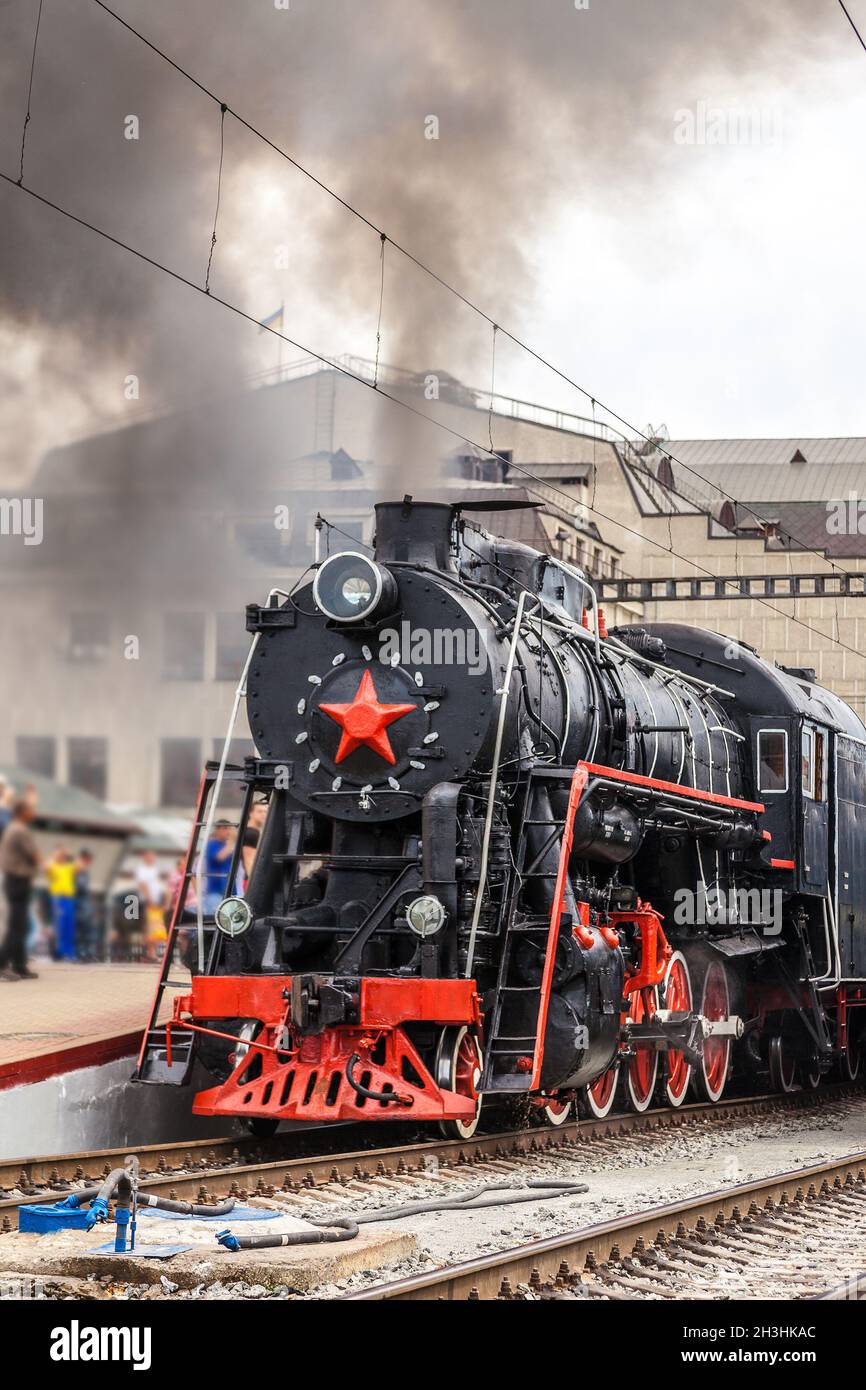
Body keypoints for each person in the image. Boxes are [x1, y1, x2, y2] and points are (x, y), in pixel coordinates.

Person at [0, 798, 41, 980]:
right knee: (17, 926)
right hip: (18, 881)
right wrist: (42, 864)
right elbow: (35, 855)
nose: (33, 812)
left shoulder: (14, 828)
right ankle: (2, 964)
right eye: (30, 809)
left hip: (16, 881)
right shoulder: (20, 830)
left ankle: (19, 965)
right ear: (22, 812)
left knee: (21, 925)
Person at [47, 848, 77, 960]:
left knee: (69, 925)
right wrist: (54, 855)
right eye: (60, 855)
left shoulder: (68, 867)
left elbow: (79, 865)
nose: (62, 857)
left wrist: (68, 854)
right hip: (58, 898)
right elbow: (47, 866)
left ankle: (69, 952)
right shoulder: (53, 866)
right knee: (60, 925)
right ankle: (60, 951)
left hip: (68, 898)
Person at [203, 820, 236, 913]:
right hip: (215, 892)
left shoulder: (227, 845)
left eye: (230, 828)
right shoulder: (211, 844)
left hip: (230, 891)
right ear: (217, 830)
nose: (228, 831)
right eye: (225, 828)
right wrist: (232, 841)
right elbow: (220, 857)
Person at [74, 849, 95, 961]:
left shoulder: (84, 871)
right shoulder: (76, 870)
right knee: (81, 929)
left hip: (85, 902)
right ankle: (81, 953)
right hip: (79, 902)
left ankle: (87, 953)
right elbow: (80, 887)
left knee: (88, 928)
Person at [241, 799, 268, 885]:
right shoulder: (251, 833)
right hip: (250, 882)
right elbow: (249, 860)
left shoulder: (251, 831)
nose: (263, 814)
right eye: (259, 811)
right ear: (250, 813)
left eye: (265, 812)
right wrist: (254, 883)